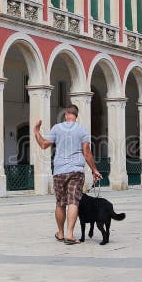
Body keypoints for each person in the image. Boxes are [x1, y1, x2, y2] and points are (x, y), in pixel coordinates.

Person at [34, 105, 102, 245]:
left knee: (60, 203)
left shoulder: (57, 128)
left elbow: (43, 145)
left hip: (59, 171)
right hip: (76, 171)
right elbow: (87, 152)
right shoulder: (82, 130)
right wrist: (94, 170)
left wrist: (36, 132)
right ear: (76, 116)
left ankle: (60, 233)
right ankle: (70, 235)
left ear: (66, 115)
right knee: (73, 202)